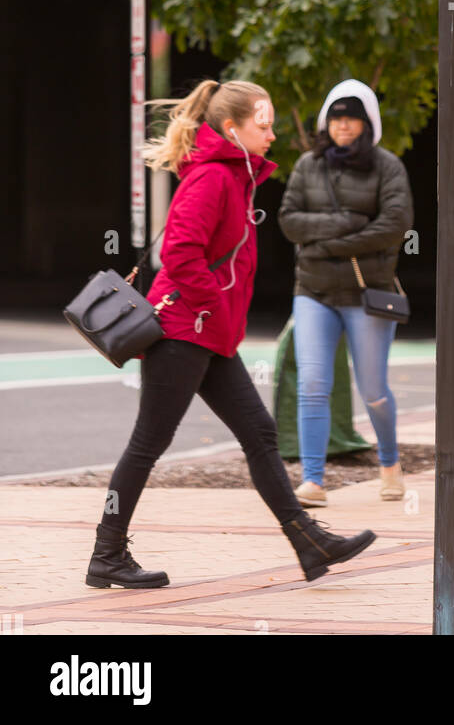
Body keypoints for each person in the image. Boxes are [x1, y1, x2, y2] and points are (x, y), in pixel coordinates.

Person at [85, 78, 376, 590]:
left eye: (271, 124)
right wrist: (212, 304)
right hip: (183, 331)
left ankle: (308, 541)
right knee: (147, 444)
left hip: (207, 334)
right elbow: (178, 253)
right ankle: (106, 554)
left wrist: (216, 315)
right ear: (231, 128)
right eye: (262, 125)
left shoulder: (235, 176)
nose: (271, 134)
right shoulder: (214, 179)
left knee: (260, 434)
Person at [278, 78, 414, 506]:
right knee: (313, 384)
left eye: (352, 118)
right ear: (326, 122)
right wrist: (345, 224)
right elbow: (289, 221)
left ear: (367, 123)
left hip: (366, 293)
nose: (344, 126)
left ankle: (390, 464)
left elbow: (395, 224)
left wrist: (330, 246)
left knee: (373, 388)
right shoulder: (307, 166)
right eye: (337, 118)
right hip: (313, 291)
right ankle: (313, 480)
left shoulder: (388, 166)